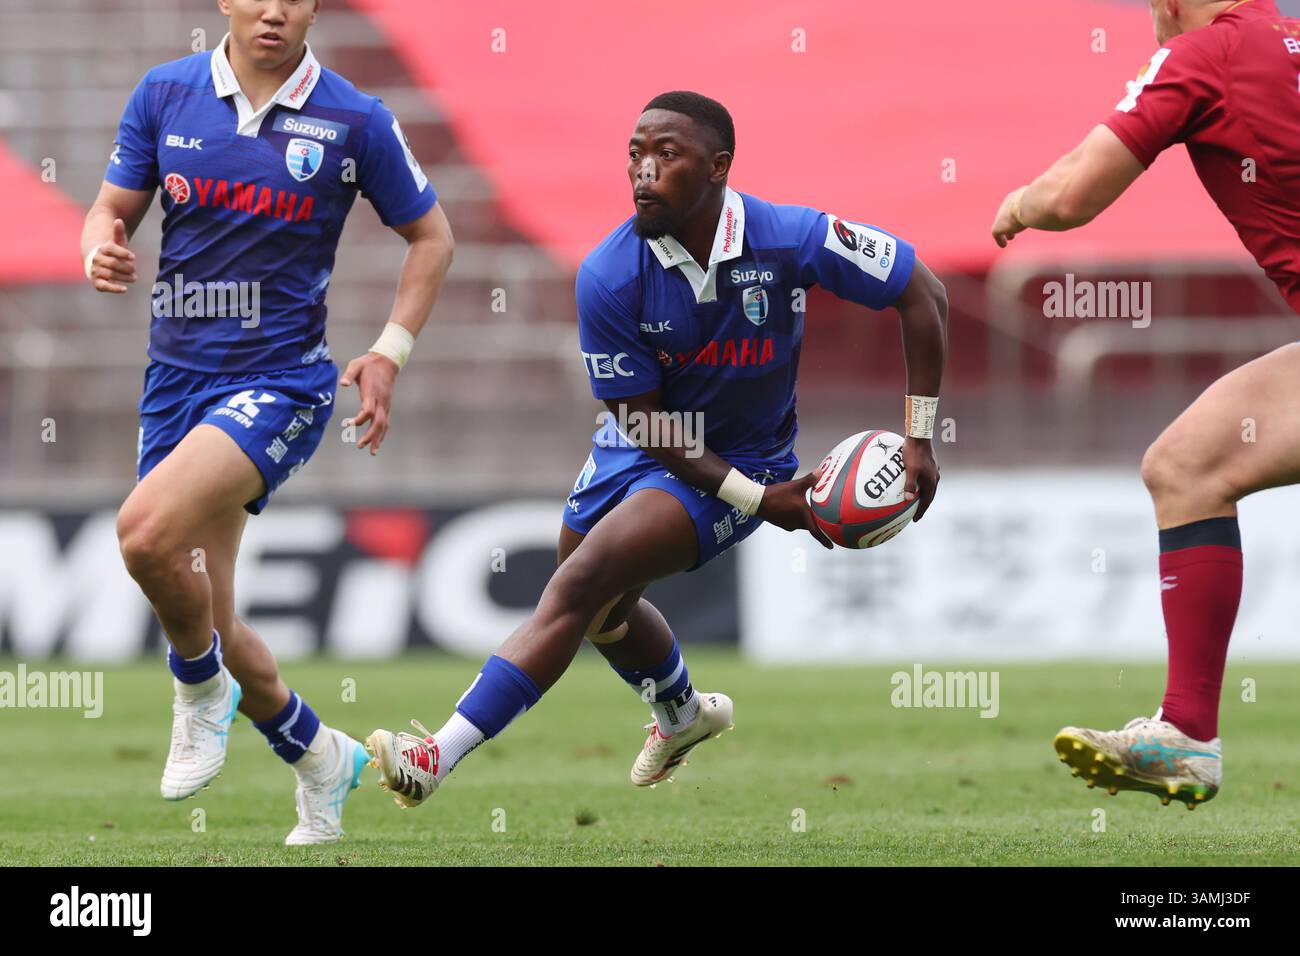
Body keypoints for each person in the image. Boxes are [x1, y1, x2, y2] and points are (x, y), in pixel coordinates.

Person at [365, 90, 948, 807]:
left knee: (579, 585)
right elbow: (645, 424)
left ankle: (435, 756)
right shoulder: (609, 274)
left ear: (717, 167)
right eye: (635, 154)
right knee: (605, 610)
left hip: (743, 458)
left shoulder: (792, 237)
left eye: (665, 154)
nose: (643, 170)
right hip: (638, 443)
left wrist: (918, 438)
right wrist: (765, 506)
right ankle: (681, 714)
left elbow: (922, 293)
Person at [81, 0, 453, 842]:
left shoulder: (356, 118)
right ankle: (324, 759)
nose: (274, 10)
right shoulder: (165, 92)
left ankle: (197, 689)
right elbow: (110, 211)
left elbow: (431, 237)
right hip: (173, 383)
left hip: (279, 383)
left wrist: (389, 351)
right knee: (216, 617)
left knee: (142, 537)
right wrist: (97, 244)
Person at [991, 0, 1300, 808]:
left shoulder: (1207, 54)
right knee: (1187, 466)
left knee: (1189, 467)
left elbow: (1072, 197)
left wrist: (1020, 202)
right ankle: (1187, 733)